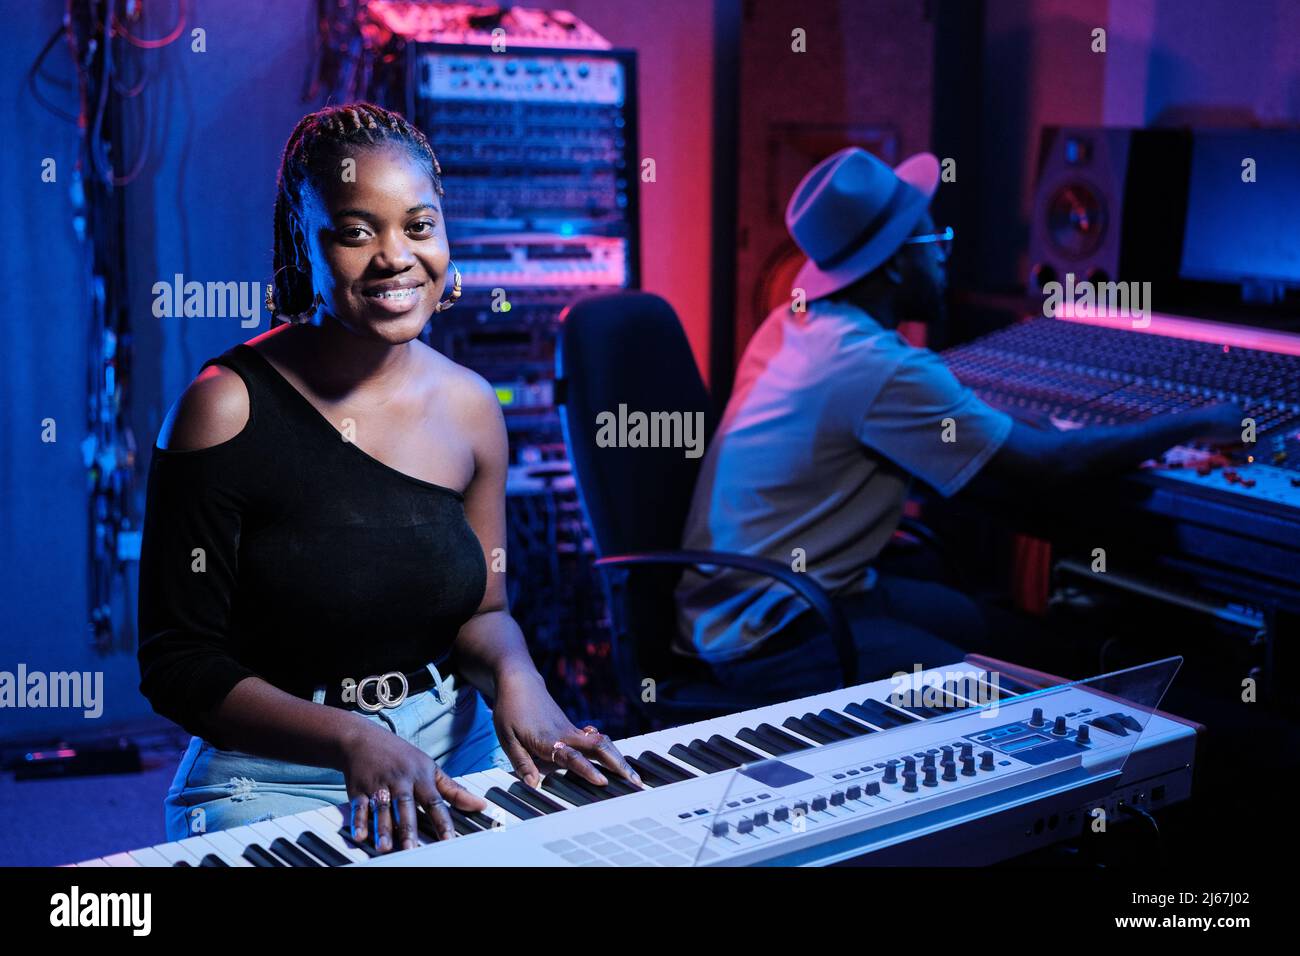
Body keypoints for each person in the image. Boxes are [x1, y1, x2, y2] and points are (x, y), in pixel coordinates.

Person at [138, 103, 639, 854]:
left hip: (455, 740)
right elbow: (177, 661)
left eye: (419, 225)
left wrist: (519, 679)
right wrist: (351, 740)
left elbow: (485, 607)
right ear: (302, 245)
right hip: (276, 771)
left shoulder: (471, 406)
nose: (394, 257)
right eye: (355, 231)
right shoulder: (222, 407)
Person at [673, 146, 1244, 699]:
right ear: (896, 264)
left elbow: (972, 418)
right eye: (934, 240)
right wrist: (1193, 422)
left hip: (763, 599)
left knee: (1002, 633)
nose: (945, 256)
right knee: (1016, 700)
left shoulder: (799, 323)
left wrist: (1047, 425)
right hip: (773, 635)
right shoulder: (878, 367)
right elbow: (1049, 466)